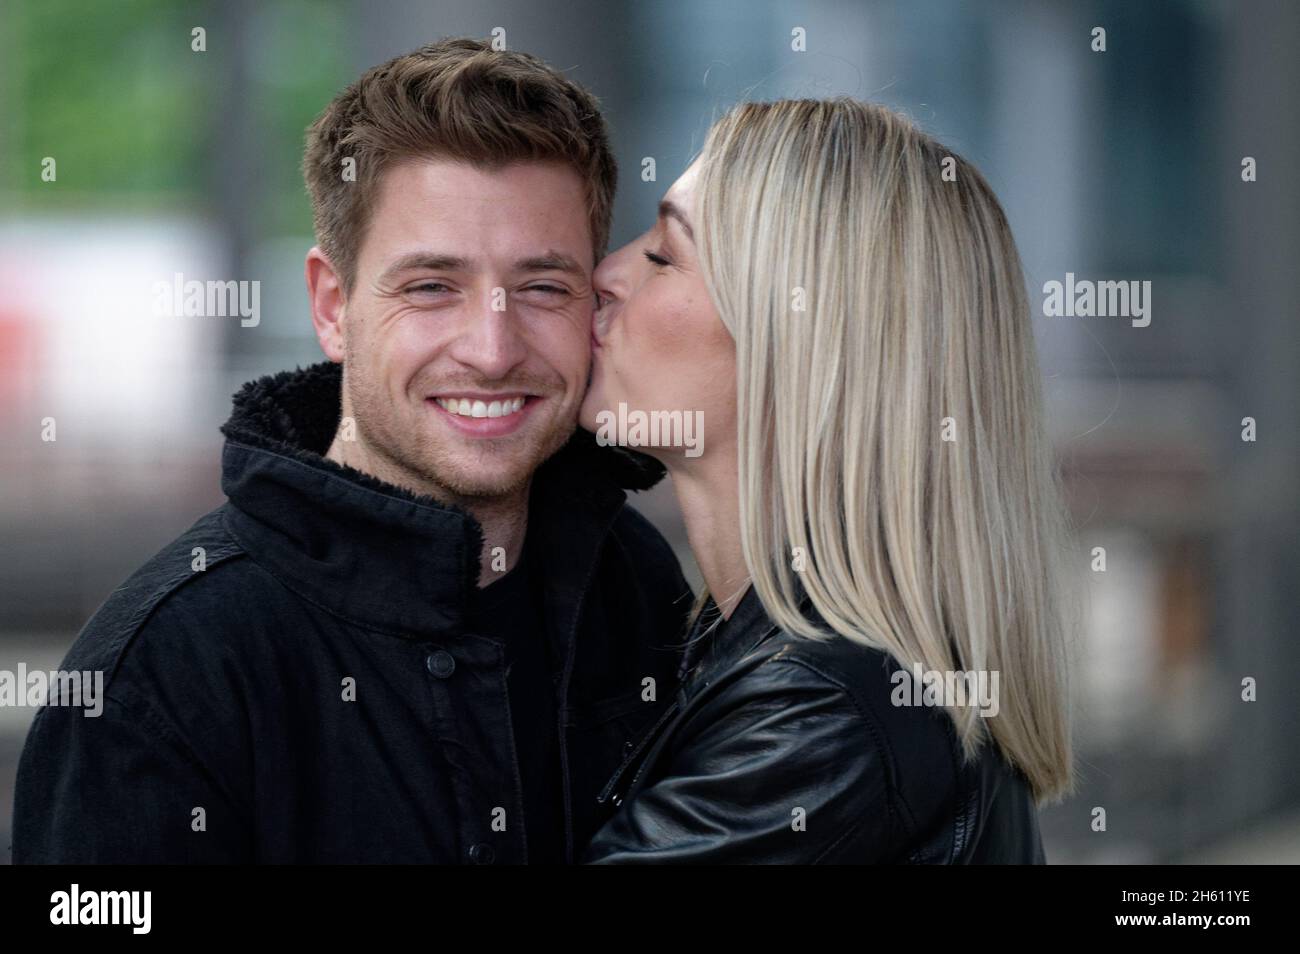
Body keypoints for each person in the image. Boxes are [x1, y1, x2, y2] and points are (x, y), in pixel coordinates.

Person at [12, 38, 689, 865]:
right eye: (432, 287)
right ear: (332, 308)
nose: (492, 349)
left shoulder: (635, 585)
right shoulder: (165, 675)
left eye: (544, 286)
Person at [580, 98, 1079, 863]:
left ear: (800, 343)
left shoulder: (822, 717)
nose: (605, 274)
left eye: (663, 255)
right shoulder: (815, 671)